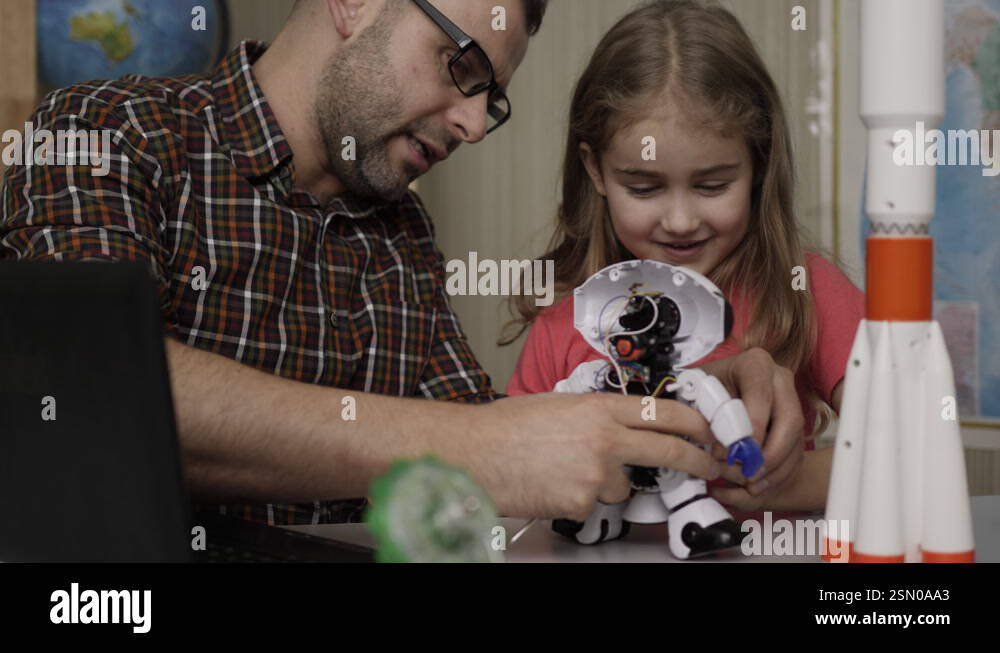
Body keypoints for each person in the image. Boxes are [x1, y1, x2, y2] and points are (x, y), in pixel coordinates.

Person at [1, 0, 804, 525]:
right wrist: (475, 448)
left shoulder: (401, 236)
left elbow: (495, 443)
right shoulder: (108, 132)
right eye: (462, 68)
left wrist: (681, 397)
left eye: (490, 99)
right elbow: (92, 393)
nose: (473, 126)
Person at [505, 0, 864, 512]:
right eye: (644, 187)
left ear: (759, 165)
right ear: (595, 171)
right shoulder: (563, 323)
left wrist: (789, 483)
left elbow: (905, 449)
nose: (679, 220)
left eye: (712, 185)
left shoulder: (807, 289)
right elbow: (517, 484)